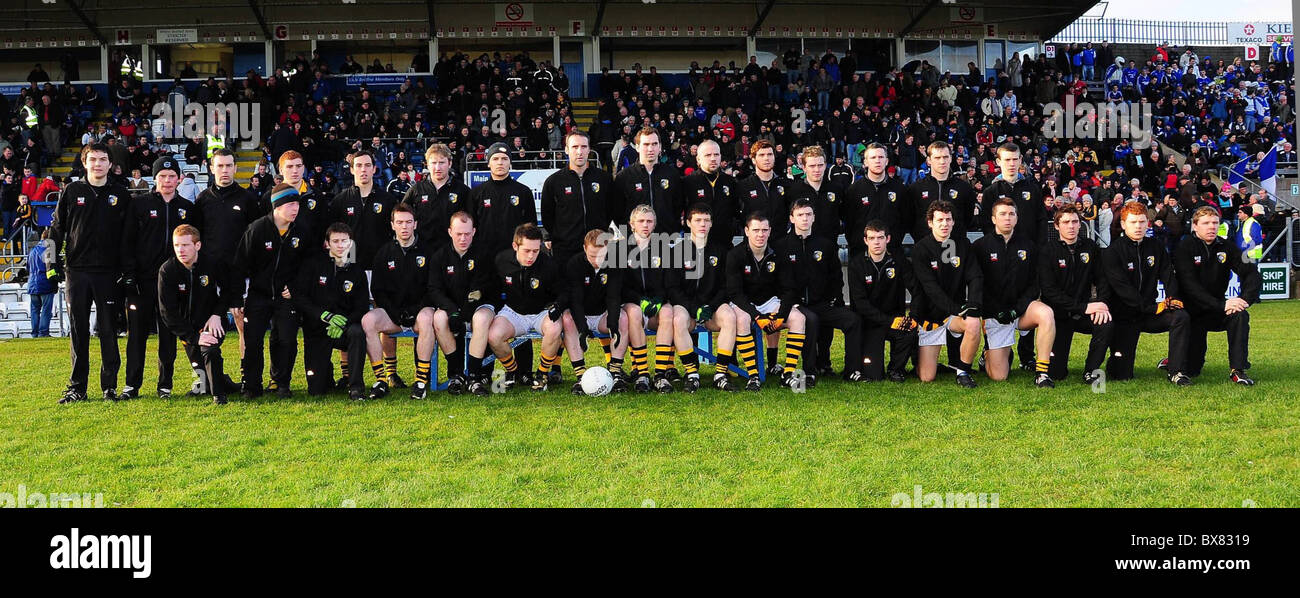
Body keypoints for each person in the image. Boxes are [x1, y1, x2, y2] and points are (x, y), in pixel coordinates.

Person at [51, 142, 133, 403]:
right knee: (78, 331)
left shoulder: (122, 194)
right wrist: (51, 265)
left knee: (109, 330)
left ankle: (109, 387)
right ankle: (77, 388)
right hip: (77, 272)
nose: (97, 164)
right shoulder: (71, 190)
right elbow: (54, 230)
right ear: (84, 163)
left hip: (109, 274)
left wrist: (127, 270)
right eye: (92, 159)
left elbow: (128, 237)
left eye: (102, 159)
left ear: (111, 164)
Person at [120, 156, 196, 399]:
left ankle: (165, 385)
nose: (167, 181)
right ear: (155, 178)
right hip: (142, 282)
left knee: (168, 336)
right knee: (137, 336)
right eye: (162, 176)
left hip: (171, 285)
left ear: (179, 178)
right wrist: (130, 275)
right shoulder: (139, 205)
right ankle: (131, 385)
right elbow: (127, 242)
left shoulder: (187, 208)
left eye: (172, 176)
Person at [1102, 200, 1192, 385]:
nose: (1138, 226)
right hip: (1124, 316)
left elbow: (1168, 276)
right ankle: (1116, 362)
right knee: (1121, 375)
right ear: (1123, 224)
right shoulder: (1112, 252)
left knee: (1180, 316)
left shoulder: (1156, 247)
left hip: (1150, 314)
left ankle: (1176, 371)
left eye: (1142, 222)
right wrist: (1153, 307)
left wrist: (1172, 298)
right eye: (1133, 222)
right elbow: (1123, 291)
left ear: (1147, 223)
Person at [972, 198, 1057, 387]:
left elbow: (1034, 285)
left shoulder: (1029, 246)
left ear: (1017, 218)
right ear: (993, 219)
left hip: (1021, 312)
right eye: (1002, 214)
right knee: (999, 376)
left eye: (1011, 214)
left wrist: (1016, 310)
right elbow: (978, 286)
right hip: (996, 314)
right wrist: (994, 310)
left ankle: (1042, 373)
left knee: (1046, 313)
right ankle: (988, 354)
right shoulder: (980, 247)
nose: (1007, 218)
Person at [776, 197, 862, 383]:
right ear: (792, 218)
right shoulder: (781, 246)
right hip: (796, 305)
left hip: (822, 303)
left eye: (808, 214)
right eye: (800, 215)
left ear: (814, 217)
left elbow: (836, 277)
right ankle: (810, 371)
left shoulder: (825, 245)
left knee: (852, 320)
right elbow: (779, 282)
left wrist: (834, 299)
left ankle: (852, 370)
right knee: (811, 320)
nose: (804, 219)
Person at [233, 183, 307, 398]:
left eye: (297, 204)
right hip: (259, 294)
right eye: (291, 204)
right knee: (253, 340)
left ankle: (282, 382)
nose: (295, 209)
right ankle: (251, 386)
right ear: (277, 206)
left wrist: (294, 287)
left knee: (285, 339)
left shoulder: (301, 231)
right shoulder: (257, 229)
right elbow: (239, 265)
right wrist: (237, 297)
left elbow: (308, 266)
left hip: (286, 297)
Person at [1173, 206, 1259, 385]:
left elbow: (1251, 272)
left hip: (1217, 309)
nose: (1211, 227)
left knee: (1240, 315)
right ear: (1195, 226)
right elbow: (1190, 287)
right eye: (1206, 223)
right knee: (1193, 370)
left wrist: (1244, 300)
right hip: (1191, 313)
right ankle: (1173, 361)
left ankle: (1238, 370)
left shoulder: (1227, 246)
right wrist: (1222, 305)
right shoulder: (1184, 247)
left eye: (1215, 223)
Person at [726, 211, 809, 391]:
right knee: (742, 320)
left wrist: (781, 315)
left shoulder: (778, 254)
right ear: (746, 231)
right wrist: (756, 315)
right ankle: (753, 375)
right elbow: (735, 293)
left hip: (769, 300)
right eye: (756, 230)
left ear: (770, 231)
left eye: (764, 230)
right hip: (743, 303)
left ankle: (788, 374)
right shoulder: (735, 255)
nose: (760, 235)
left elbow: (788, 289)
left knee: (798, 318)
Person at [196, 148, 262, 368]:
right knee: (207, 326)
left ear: (235, 167)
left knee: (244, 325)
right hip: (210, 276)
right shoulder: (202, 199)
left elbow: (256, 238)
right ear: (211, 168)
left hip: (239, 275)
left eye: (228, 166)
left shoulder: (248, 199)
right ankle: (209, 378)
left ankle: (246, 375)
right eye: (220, 166)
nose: (224, 170)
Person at [360, 203, 432, 399]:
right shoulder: (384, 253)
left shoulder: (428, 251)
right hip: (393, 314)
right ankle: (381, 380)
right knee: (368, 321)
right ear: (392, 225)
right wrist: (394, 313)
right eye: (399, 222)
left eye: (408, 222)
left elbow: (433, 288)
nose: (404, 227)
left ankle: (420, 381)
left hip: (419, 313)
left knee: (428, 319)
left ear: (415, 224)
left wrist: (416, 310)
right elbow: (378, 290)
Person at [910, 200, 983, 389]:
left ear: (953, 222)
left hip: (954, 315)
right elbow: (931, 288)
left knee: (973, 322)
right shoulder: (920, 249)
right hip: (930, 316)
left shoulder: (963, 245)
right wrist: (957, 309)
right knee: (927, 377)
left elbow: (975, 276)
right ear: (930, 223)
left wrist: (972, 305)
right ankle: (921, 358)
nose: (944, 224)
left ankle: (962, 371)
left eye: (948, 219)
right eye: (939, 220)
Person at [427, 211, 501, 397]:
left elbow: (485, 288)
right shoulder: (440, 256)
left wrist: (465, 310)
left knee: (481, 319)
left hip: (480, 306)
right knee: (438, 318)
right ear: (450, 231)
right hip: (452, 306)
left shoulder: (484, 254)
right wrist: (453, 311)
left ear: (474, 231)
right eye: (459, 233)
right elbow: (434, 290)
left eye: (467, 234)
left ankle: (474, 376)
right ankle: (456, 374)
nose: (463, 238)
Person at [1037, 205, 1114, 383]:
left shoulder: (1091, 247)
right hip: (1059, 316)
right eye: (1065, 222)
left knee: (1106, 322)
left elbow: (1102, 279)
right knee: (1057, 374)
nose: (1071, 226)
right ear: (1056, 226)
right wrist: (1083, 306)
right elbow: (1049, 291)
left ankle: (1091, 370)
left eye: (1074, 222)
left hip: (1083, 313)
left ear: (1080, 225)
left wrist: (1101, 304)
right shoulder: (1047, 251)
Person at [157, 225, 233, 404]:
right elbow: (167, 312)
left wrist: (217, 314)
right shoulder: (167, 270)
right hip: (183, 325)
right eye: (176, 246)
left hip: (209, 321)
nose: (180, 250)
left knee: (210, 349)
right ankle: (164, 387)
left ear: (197, 246)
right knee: (197, 366)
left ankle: (219, 395)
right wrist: (192, 336)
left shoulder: (212, 263)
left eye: (185, 245)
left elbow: (229, 291)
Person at [294, 222, 370, 400]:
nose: (340, 245)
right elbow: (300, 298)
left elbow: (362, 307)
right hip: (318, 328)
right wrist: (325, 316)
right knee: (317, 390)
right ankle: (325, 374)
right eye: (335, 241)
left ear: (351, 243)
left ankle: (356, 386)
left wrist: (344, 322)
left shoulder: (357, 270)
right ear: (327, 243)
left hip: (345, 327)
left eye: (344, 241)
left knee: (357, 332)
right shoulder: (313, 265)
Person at [486, 223, 566, 391]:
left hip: (540, 313)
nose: (531, 256)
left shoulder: (548, 264)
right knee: (493, 336)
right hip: (513, 312)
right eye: (527, 251)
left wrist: (557, 306)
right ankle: (513, 372)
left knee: (554, 328)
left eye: (536, 251)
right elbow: (491, 289)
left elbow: (563, 291)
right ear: (515, 246)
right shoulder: (501, 260)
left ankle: (542, 374)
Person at [667, 204, 737, 392]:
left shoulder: (720, 251)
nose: (702, 224)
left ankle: (720, 374)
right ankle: (692, 374)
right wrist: (692, 309)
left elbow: (725, 286)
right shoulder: (677, 251)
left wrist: (710, 306)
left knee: (730, 317)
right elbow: (672, 288)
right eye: (697, 220)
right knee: (677, 319)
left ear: (712, 223)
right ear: (688, 223)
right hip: (687, 308)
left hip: (711, 308)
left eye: (706, 220)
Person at [615, 204, 681, 393]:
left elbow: (670, 281)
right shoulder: (620, 248)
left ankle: (660, 375)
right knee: (634, 313)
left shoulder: (665, 247)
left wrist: (659, 300)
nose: (645, 225)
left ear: (654, 224)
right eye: (641, 221)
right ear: (632, 224)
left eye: (649, 221)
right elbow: (620, 285)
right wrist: (639, 299)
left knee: (668, 311)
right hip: (633, 302)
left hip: (657, 302)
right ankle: (642, 374)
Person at [847, 220, 917, 382]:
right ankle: (872, 366)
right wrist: (888, 321)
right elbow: (860, 303)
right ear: (865, 240)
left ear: (888, 239)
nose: (876, 242)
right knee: (874, 375)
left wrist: (912, 316)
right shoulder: (856, 264)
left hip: (894, 318)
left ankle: (895, 369)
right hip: (870, 323)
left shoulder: (899, 262)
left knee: (909, 330)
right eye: (872, 238)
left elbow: (916, 290)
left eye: (880, 237)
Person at [564, 229, 632, 394]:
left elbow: (613, 297)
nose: (597, 261)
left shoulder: (615, 264)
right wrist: (583, 328)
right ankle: (580, 376)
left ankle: (615, 373)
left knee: (622, 318)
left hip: (602, 314)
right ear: (585, 248)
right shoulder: (575, 264)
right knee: (567, 319)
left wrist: (612, 324)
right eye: (592, 256)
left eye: (602, 256)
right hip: (582, 313)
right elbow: (576, 300)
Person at [540, 130, 615, 268]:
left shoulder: (604, 178)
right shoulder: (554, 182)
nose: (579, 151)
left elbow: (611, 210)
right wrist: (563, 237)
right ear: (567, 150)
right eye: (575, 147)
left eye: (583, 147)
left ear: (589, 150)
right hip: (566, 250)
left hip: (598, 247)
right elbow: (547, 217)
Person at [403, 143, 472, 254]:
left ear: (450, 164)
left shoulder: (463, 190)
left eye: (442, 162)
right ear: (427, 165)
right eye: (433, 163)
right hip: (422, 251)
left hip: (452, 252)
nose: (437, 167)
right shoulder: (416, 189)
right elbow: (402, 214)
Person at [612, 127, 683, 233]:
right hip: (635, 242)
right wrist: (629, 234)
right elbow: (617, 212)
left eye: (654, 144)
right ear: (637, 147)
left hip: (666, 240)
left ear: (660, 147)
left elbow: (678, 207)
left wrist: (671, 228)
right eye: (646, 144)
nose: (650, 149)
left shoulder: (672, 174)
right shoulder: (624, 177)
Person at [844, 142, 908, 253]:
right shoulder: (854, 190)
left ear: (886, 161)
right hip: (861, 254)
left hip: (892, 252)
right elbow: (849, 223)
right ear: (865, 162)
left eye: (881, 157)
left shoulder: (899, 189)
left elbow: (905, 220)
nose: (877, 160)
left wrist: (895, 241)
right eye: (873, 157)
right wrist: (857, 245)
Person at [908, 141, 976, 242]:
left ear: (951, 158)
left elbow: (968, 218)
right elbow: (910, 219)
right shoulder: (916, 188)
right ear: (929, 160)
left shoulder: (964, 188)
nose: (942, 161)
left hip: (955, 247)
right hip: (924, 247)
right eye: (937, 158)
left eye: (945, 157)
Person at [680, 139, 739, 248]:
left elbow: (736, 210)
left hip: (724, 244)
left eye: (716, 154)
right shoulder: (687, 182)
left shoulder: (730, 182)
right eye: (708, 155)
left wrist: (732, 226)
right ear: (698, 159)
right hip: (696, 246)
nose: (713, 158)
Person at [736, 140, 793, 243]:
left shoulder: (786, 185)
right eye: (761, 155)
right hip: (753, 246)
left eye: (770, 154)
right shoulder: (743, 186)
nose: (766, 158)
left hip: (781, 244)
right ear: (753, 159)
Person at [26, 228, 57, 338]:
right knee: (46, 310)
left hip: (32, 284)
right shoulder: (49, 249)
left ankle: (34, 333)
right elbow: (51, 267)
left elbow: (27, 268)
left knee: (34, 310)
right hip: (45, 283)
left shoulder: (32, 250)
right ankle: (43, 333)